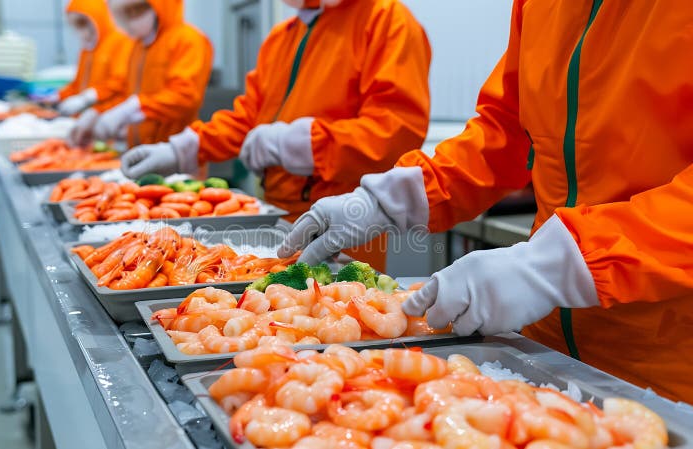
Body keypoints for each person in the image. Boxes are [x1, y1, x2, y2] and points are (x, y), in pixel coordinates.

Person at [279, 0, 693, 403]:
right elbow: (505, 132)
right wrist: (395, 198)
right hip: (546, 347)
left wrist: (563, 264)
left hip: (669, 361)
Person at [120, 0, 432, 268]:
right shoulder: (283, 37)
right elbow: (247, 118)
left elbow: (395, 133)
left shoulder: (386, 21)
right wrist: (183, 148)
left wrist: (301, 144)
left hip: (348, 222)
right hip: (276, 217)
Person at [71, 0, 213, 148]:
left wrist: (133, 109)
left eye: (136, 10)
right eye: (124, 13)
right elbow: (126, 92)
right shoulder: (138, 47)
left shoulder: (187, 40)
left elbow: (184, 97)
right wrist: (97, 113)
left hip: (176, 151)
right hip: (139, 148)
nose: (129, 19)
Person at [55, 0, 131, 117]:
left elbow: (119, 81)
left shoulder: (120, 41)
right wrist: (59, 95)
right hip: (85, 116)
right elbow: (78, 84)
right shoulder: (88, 49)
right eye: (74, 25)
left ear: (96, 17)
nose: (79, 30)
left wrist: (90, 96)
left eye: (81, 23)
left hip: (108, 114)